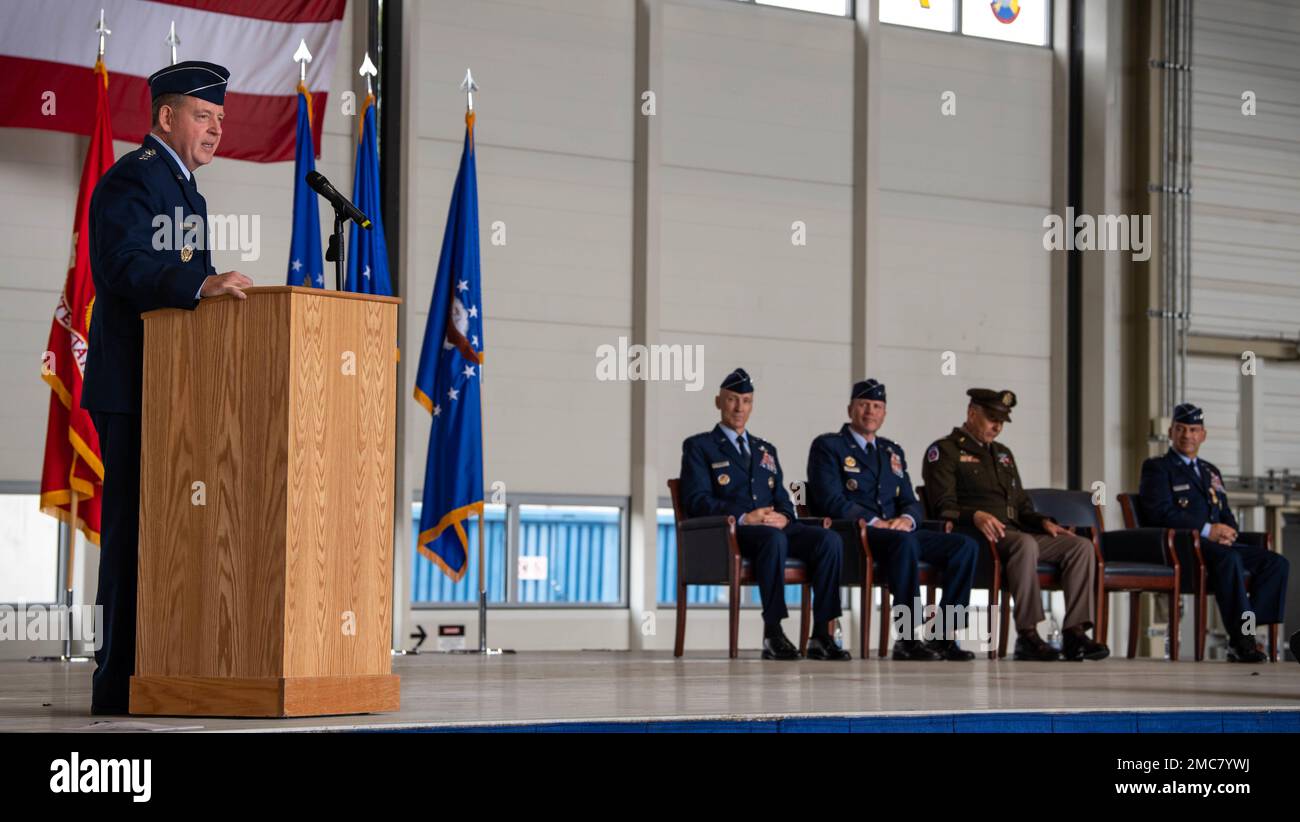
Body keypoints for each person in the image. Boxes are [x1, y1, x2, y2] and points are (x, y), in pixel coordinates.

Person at [82, 60, 253, 714]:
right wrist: (200, 285)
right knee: (132, 537)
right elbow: (124, 265)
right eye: (204, 117)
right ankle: (117, 681)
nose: (215, 130)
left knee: (168, 535)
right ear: (165, 117)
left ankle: (159, 671)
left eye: (220, 120)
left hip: (175, 390)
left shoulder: (184, 190)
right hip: (135, 387)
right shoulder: (134, 179)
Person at [921, 389, 1109, 661]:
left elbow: (1021, 505)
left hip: (1014, 534)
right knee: (1025, 543)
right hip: (976, 536)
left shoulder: (1003, 454)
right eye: (991, 418)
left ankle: (1075, 634)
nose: (997, 426)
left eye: (1002, 420)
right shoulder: (945, 450)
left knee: (1080, 547)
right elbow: (942, 505)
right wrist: (975, 515)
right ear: (972, 413)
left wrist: (1043, 522)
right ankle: (1028, 634)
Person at [679, 369, 849, 660]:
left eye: (745, 401)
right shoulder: (699, 446)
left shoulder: (764, 449)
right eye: (732, 400)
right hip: (733, 532)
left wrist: (784, 515)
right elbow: (696, 500)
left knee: (829, 540)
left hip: (773, 527)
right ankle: (773, 632)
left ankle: (822, 633)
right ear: (718, 402)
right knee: (774, 540)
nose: (739, 408)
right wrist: (745, 516)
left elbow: (782, 496)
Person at [806, 379, 979, 661]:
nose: (870, 412)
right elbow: (830, 500)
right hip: (856, 534)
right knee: (904, 543)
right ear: (850, 409)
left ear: (884, 413)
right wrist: (876, 522)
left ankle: (943, 636)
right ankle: (908, 638)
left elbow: (910, 500)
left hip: (898, 534)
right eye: (864, 405)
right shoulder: (829, 446)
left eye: (877, 406)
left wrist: (908, 519)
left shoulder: (891, 451)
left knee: (964, 546)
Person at [1138, 403, 1289, 663]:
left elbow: (1224, 511)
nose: (1187, 435)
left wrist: (1230, 531)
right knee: (1230, 560)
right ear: (1171, 432)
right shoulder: (1158, 468)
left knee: (1276, 563)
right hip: (1184, 545)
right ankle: (1243, 640)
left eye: (1193, 430)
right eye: (1181, 429)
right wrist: (1208, 530)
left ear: (1203, 435)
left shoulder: (1211, 471)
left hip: (1217, 545)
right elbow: (1159, 513)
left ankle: (1247, 629)